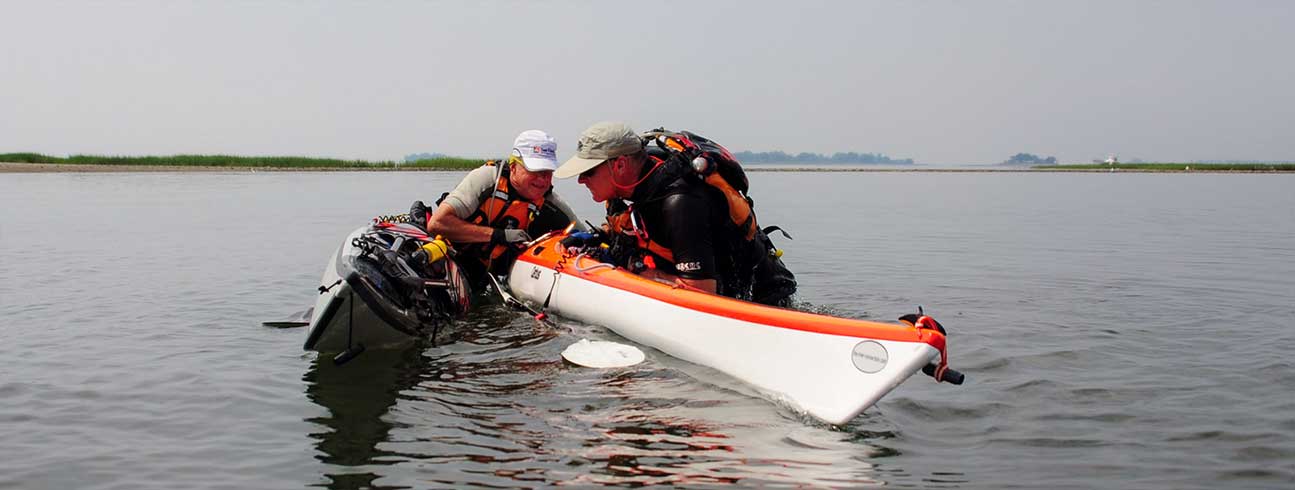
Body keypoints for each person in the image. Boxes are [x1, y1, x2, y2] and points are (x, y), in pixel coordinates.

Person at [554, 122, 796, 306]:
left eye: (589, 172)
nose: (580, 180)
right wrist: (600, 239)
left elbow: (702, 293)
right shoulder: (632, 187)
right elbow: (640, 226)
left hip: (762, 303)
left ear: (619, 165)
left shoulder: (681, 203)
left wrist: (636, 268)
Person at [410, 129, 583, 291]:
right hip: (442, 251)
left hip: (478, 276)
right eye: (535, 170)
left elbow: (584, 234)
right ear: (514, 166)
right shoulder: (487, 179)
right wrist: (499, 235)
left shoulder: (550, 203)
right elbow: (437, 224)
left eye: (548, 172)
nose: (543, 179)